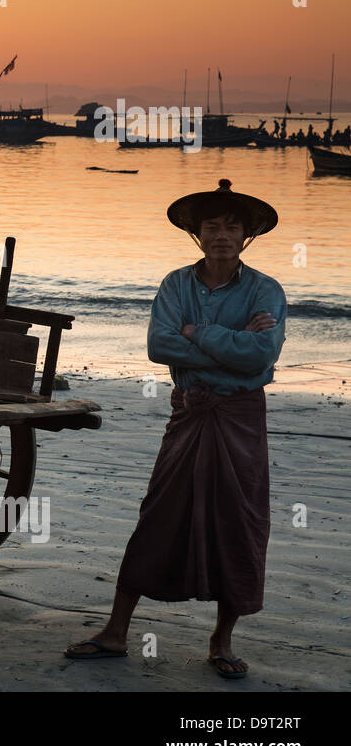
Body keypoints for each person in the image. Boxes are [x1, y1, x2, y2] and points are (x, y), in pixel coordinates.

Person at [65, 179, 284, 680]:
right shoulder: (175, 285)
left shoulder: (266, 289)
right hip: (188, 412)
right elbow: (159, 346)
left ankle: (221, 641)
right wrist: (226, 343)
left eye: (233, 226)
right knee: (158, 514)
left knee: (240, 521)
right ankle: (116, 632)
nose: (222, 235)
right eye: (213, 226)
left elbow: (261, 357)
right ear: (197, 233)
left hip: (240, 419)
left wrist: (197, 333)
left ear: (247, 235)